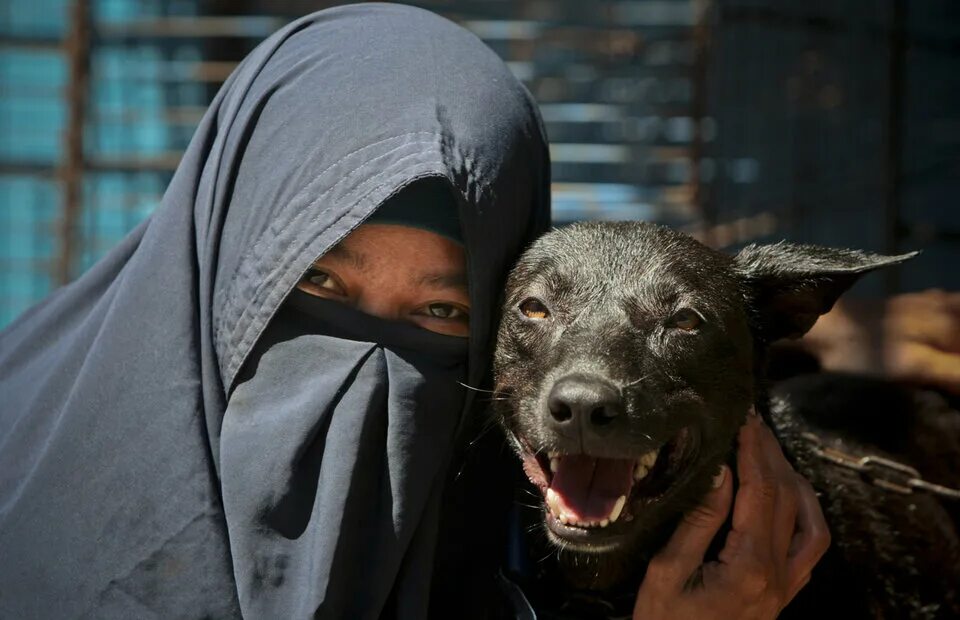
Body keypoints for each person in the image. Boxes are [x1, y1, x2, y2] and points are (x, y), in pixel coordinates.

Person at [0, 5, 826, 619]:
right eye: (316, 285)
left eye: (440, 307)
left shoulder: (518, 536)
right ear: (222, 248)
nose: (363, 378)